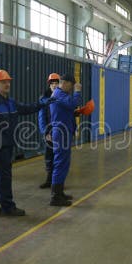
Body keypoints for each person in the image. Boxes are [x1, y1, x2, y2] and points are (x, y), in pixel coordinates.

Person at [0, 69, 48, 217]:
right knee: (4, 177)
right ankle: (8, 207)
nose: (7, 84)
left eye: (8, 81)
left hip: (7, 145)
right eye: (3, 82)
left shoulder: (10, 102)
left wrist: (42, 104)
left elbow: (26, 108)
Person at [49, 73, 82, 206]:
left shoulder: (60, 95)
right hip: (61, 132)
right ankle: (55, 197)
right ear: (66, 83)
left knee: (64, 163)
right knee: (60, 163)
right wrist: (77, 92)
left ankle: (59, 192)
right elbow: (73, 103)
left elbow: (66, 109)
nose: (72, 88)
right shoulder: (59, 94)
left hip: (64, 131)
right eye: (72, 86)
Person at [38, 73, 61, 189]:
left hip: (61, 132)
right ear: (49, 85)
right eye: (52, 84)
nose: (55, 86)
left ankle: (57, 182)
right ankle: (49, 179)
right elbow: (42, 117)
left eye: (57, 83)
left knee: (59, 157)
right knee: (49, 155)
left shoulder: (63, 97)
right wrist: (46, 132)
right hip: (49, 132)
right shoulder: (44, 99)